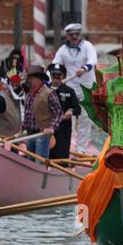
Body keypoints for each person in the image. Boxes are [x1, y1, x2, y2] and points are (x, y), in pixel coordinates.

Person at [53, 23, 97, 151]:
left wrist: (84, 68)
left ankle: (81, 148)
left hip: (86, 88)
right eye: (71, 35)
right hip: (70, 88)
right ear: (67, 36)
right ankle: (69, 145)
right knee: (68, 117)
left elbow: (92, 60)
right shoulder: (62, 50)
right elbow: (55, 64)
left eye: (77, 34)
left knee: (85, 117)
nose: (74, 37)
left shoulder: (88, 46)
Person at [20, 65, 62, 161]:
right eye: (28, 78)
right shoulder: (29, 94)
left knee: (40, 162)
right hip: (30, 134)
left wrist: (51, 127)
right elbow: (27, 115)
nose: (28, 80)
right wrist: (21, 130)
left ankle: (41, 175)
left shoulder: (49, 93)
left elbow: (58, 113)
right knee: (30, 162)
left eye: (31, 78)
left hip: (42, 134)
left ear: (39, 79)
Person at [47, 62, 82, 160]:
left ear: (63, 76)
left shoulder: (69, 91)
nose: (56, 77)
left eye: (59, 75)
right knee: (46, 157)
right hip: (47, 129)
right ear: (50, 75)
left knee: (61, 157)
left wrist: (71, 111)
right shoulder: (44, 89)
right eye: (54, 75)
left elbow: (78, 109)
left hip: (63, 130)